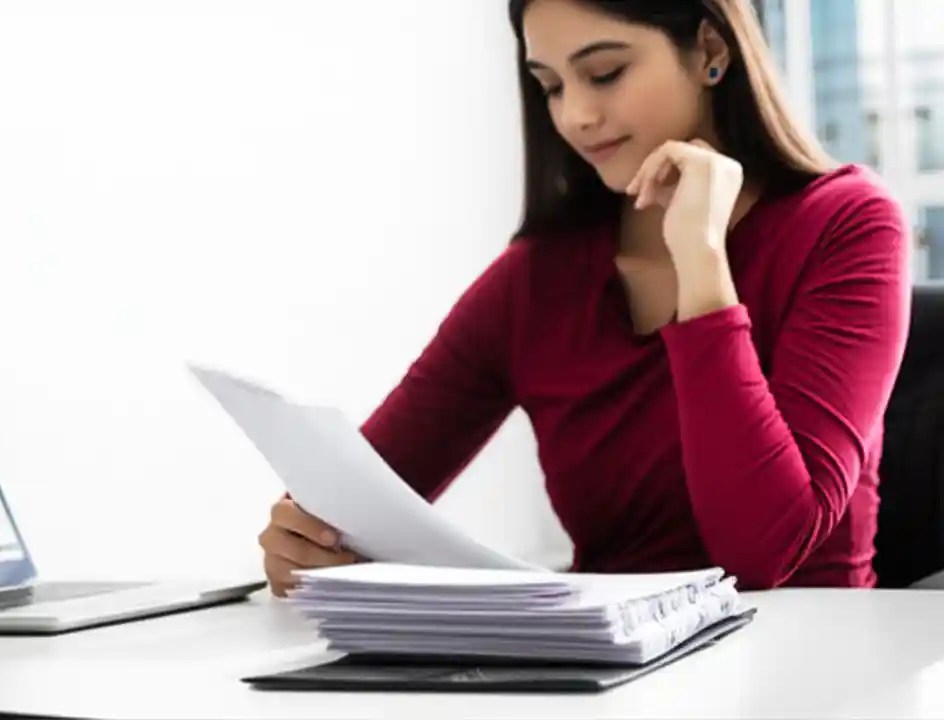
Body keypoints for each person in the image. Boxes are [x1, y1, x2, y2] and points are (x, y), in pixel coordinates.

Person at [257, 0, 911, 597]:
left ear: (711, 48)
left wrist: (701, 265)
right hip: (616, 674)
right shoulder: (537, 280)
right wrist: (305, 537)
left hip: (810, 665)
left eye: (603, 74)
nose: (576, 115)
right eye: (550, 85)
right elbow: (351, 500)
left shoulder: (848, 225)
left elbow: (764, 554)